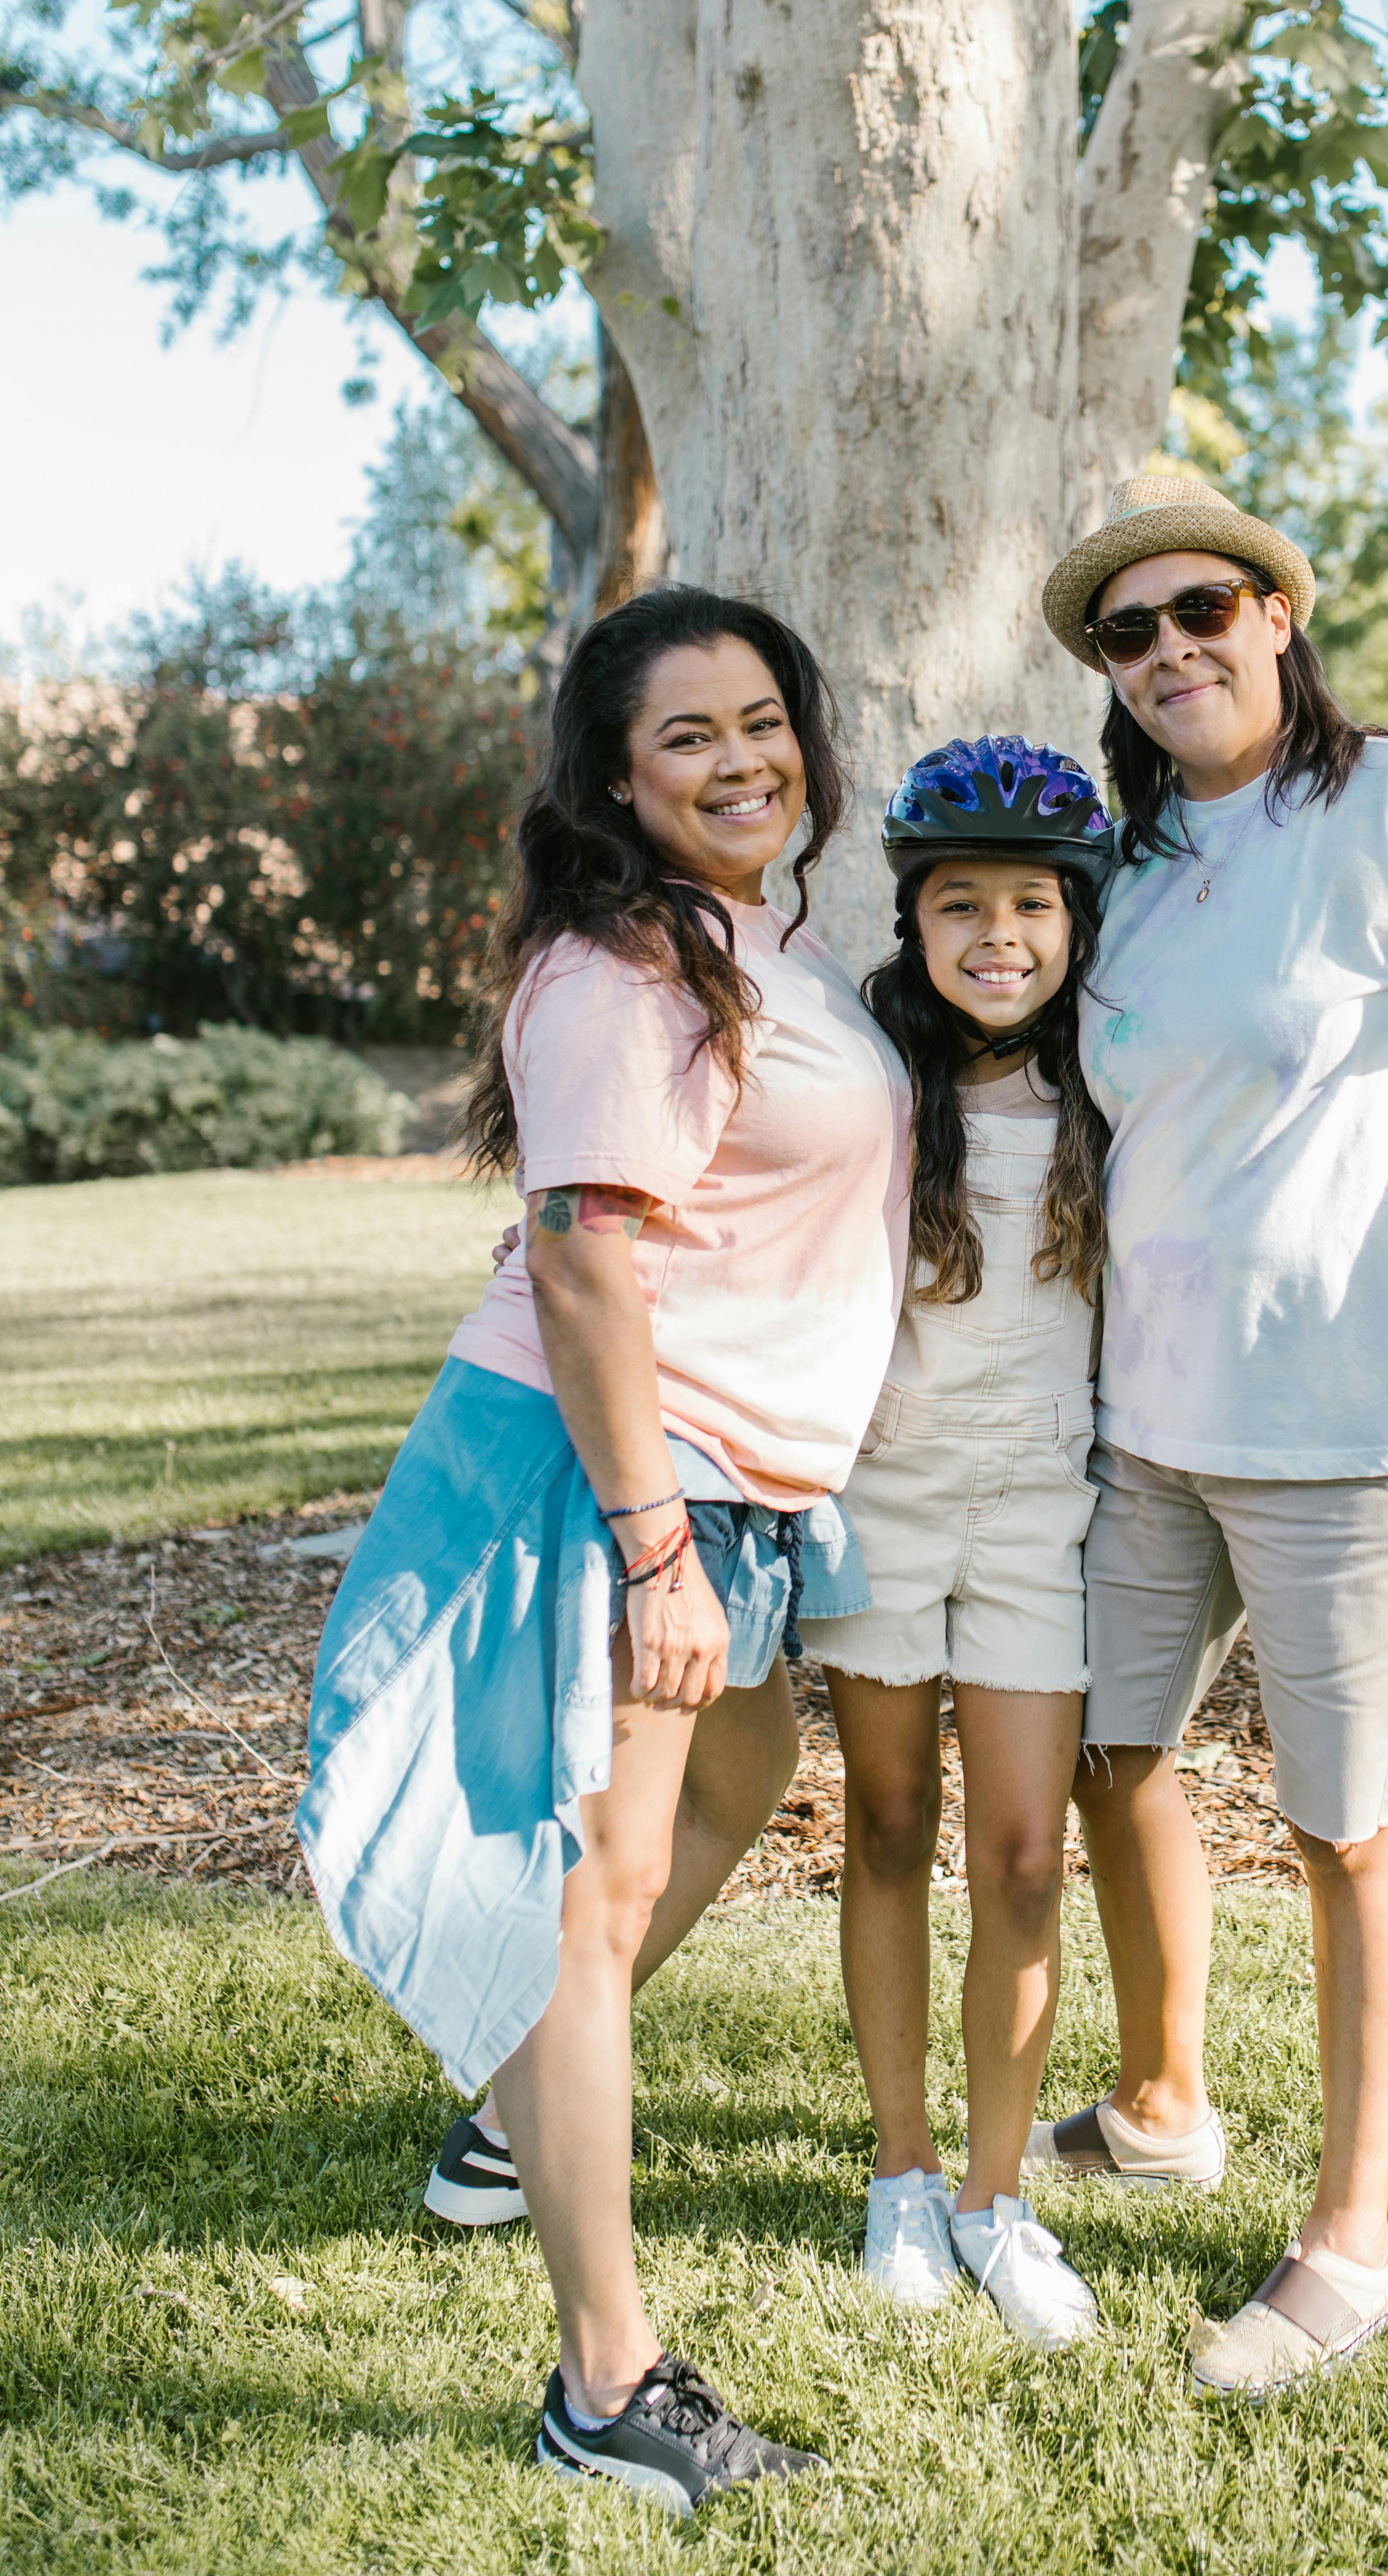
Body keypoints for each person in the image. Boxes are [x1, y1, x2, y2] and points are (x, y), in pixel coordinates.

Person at [297, 584, 910, 2511]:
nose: (739, 761)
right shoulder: (617, 966)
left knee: (739, 1773)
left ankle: (512, 2119)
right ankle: (605, 2381)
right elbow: (580, 1257)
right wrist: (652, 1545)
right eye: (686, 738)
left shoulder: (758, 939)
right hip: (621, 1469)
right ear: (618, 778)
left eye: (760, 721)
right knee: (593, 1880)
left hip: (728, 1470)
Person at [1028, 476, 1388, 2399]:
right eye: (1129, 631)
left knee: (1345, 1825)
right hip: (1143, 1415)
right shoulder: (1131, 862)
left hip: (1353, 1420)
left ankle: (1351, 2238)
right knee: (1108, 1754)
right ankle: (1164, 2100)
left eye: (1203, 609)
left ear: (1275, 615)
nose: (1169, 648)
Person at [798, 739, 1114, 2351]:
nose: (999, 934)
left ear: (1077, 920)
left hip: (1041, 1510)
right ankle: (903, 2172)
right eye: (962, 903)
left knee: (1021, 1852)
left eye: (1032, 904)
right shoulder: (867, 1077)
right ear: (913, 917)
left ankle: (997, 2198)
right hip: (884, 1494)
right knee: (886, 1821)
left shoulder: (1112, 1084)